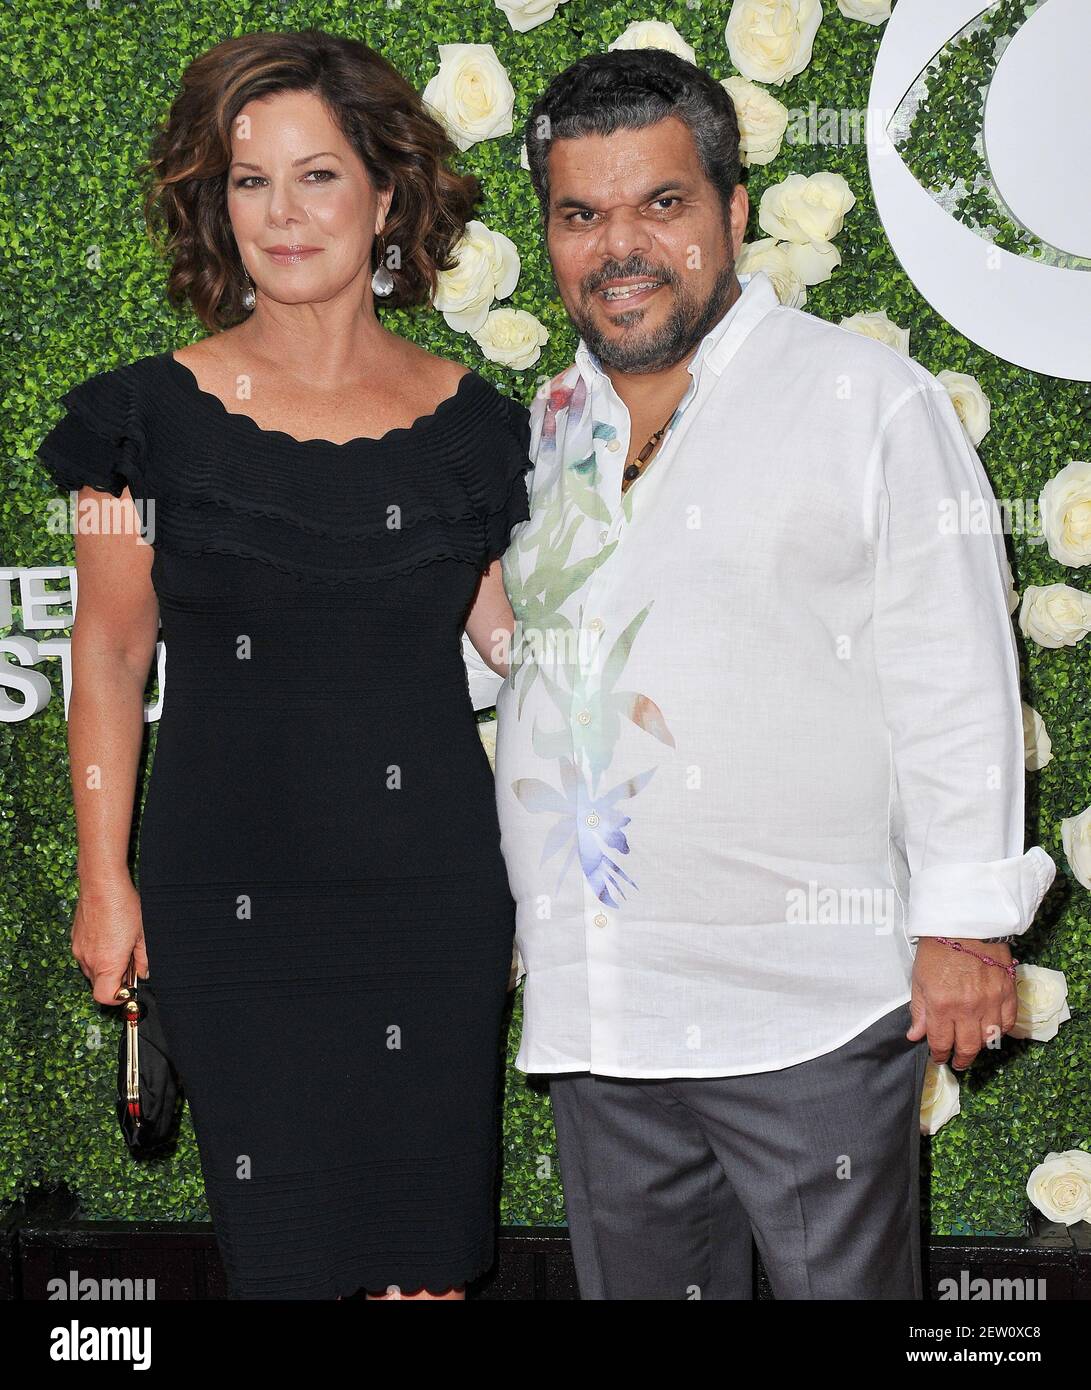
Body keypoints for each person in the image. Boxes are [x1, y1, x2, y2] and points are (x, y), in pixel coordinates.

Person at [493, 49, 1056, 1300]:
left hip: (804, 1008)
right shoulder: (546, 423)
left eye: (661, 204)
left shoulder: (866, 402)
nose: (618, 246)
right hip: (605, 1008)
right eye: (581, 214)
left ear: (733, 212)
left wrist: (961, 923)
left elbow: (952, 668)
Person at [36, 29, 532, 1301]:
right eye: (247, 181)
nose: (281, 212)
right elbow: (106, 650)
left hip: (430, 899)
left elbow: (522, 649)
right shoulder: (131, 421)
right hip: (232, 899)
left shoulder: (480, 431)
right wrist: (105, 879)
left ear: (385, 195)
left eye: (316, 175)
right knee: (295, 1264)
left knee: (425, 1274)